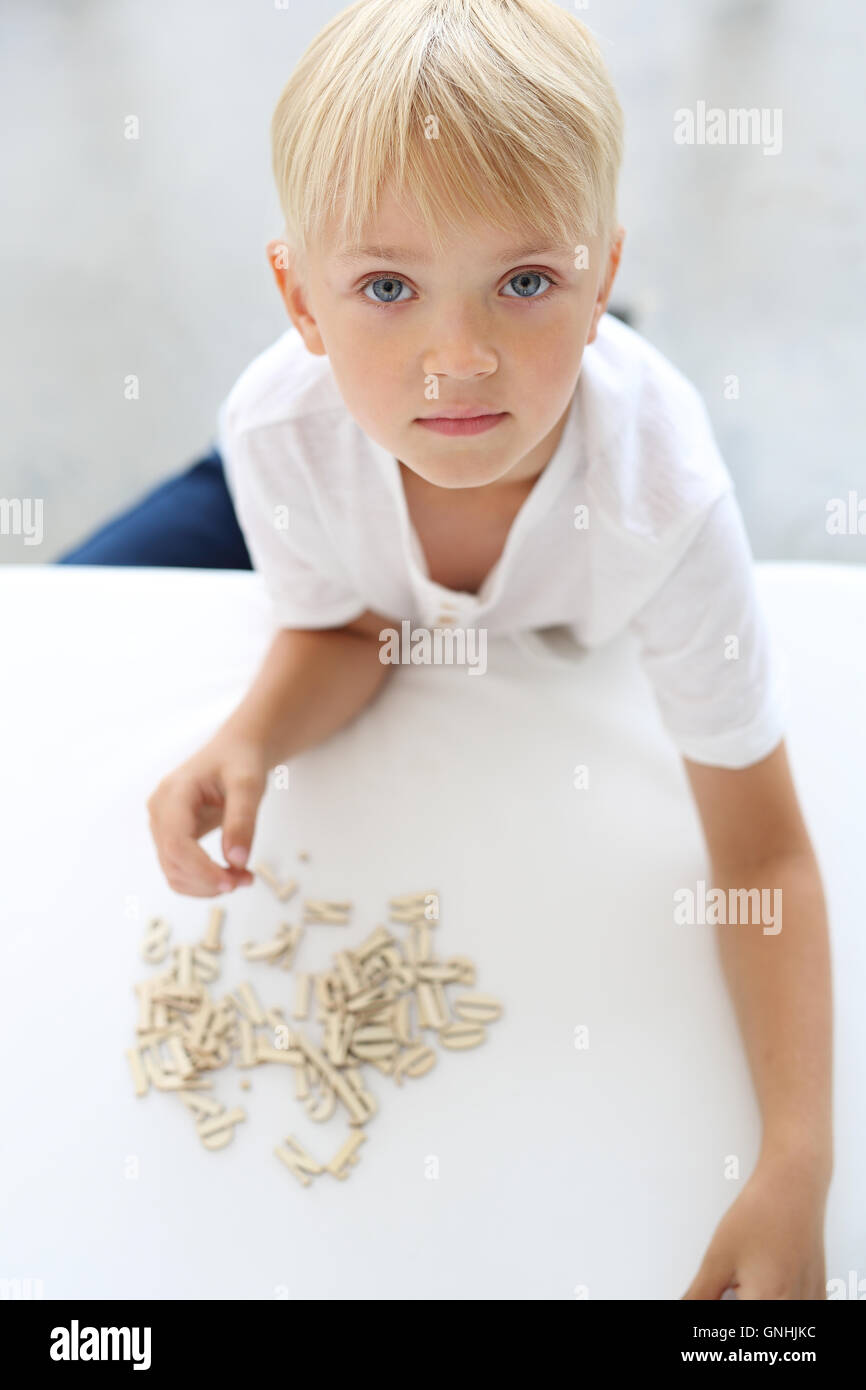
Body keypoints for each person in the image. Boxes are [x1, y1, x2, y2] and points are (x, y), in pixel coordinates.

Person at [69, 0, 832, 1298]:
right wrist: (251, 733)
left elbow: (761, 848)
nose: (457, 354)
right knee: (77, 601)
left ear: (594, 282)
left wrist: (796, 1166)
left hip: (535, 442)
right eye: (386, 285)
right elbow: (352, 624)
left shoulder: (663, 499)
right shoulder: (276, 422)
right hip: (321, 466)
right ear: (297, 298)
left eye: (524, 281)